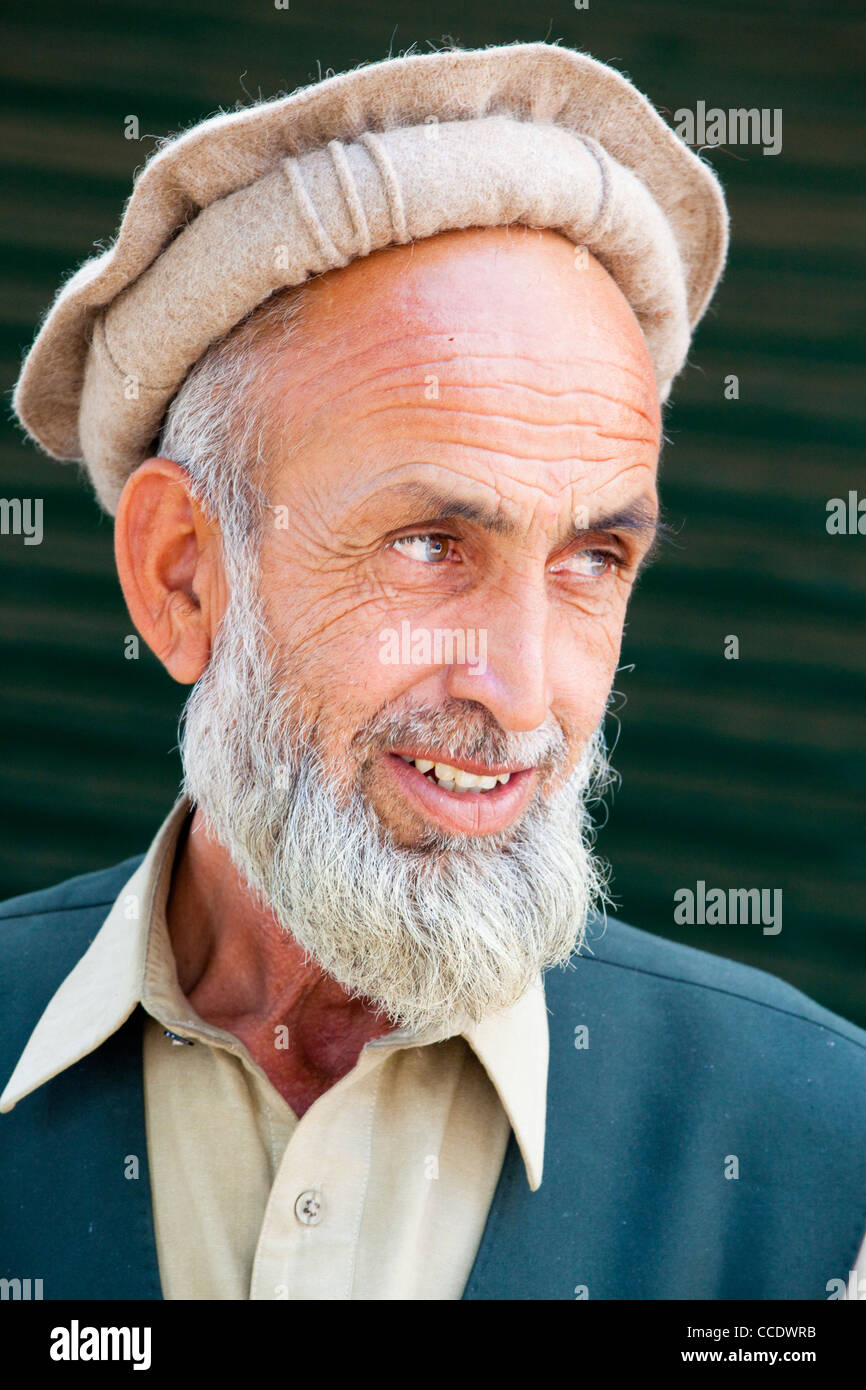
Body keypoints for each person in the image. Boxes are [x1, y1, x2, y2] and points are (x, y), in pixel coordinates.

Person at [2, 41, 864, 1301]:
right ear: (183, 575)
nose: (520, 696)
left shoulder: (824, 1162)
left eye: (591, 558)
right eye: (427, 545)